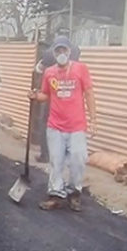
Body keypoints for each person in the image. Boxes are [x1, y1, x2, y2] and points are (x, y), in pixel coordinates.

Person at [27, 37, 96, 212]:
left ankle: (74, 193)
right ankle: (56, 194)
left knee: (78, 160)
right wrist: (35, 96)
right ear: (54, 53)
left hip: (76, 126)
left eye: (64, 50)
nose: (61, 54)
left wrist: (94, 120)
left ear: (69, 51)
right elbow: (45, 95)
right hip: (55, 125)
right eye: (58, 51)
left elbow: (88, 93)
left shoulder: (81, 69)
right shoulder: (49, 72)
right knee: (56, 161)